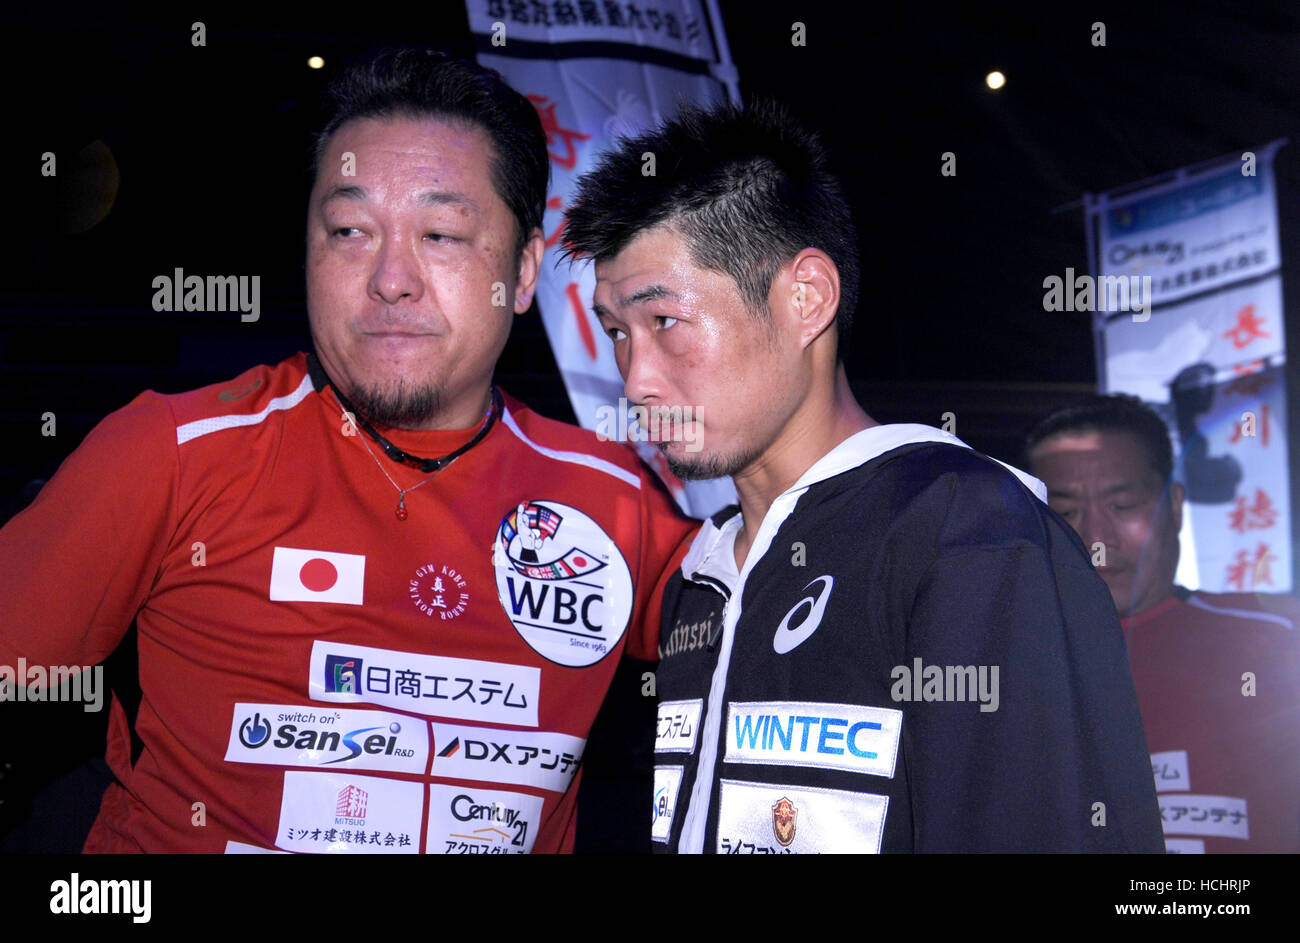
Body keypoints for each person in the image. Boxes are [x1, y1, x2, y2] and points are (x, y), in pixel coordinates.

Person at [0, 48, 695, 853]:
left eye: (440, 233)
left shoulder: (610, 498)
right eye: (349, 230)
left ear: (525, 268)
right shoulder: (173, 452)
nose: (390, 278)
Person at [561, 99, 1165, 853]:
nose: (636, 377)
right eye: (617, 332)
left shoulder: (965, 532)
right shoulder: (701, 573)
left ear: (805, 298)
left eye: (665, 322)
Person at [1026, 393, 1300, 853]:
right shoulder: (1009, 668)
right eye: (1066, 513)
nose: (1097, 539)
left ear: (1174, 505)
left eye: (1124, 504)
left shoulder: (1273, 639)